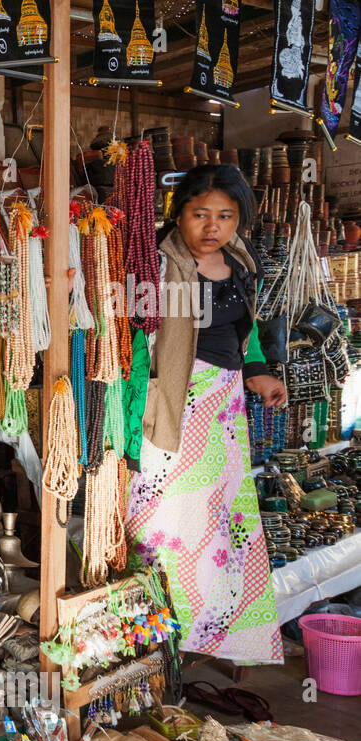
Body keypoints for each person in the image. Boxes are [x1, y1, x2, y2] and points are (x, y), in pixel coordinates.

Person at [127, 164, 285, 665]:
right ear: (180, 214)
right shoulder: (158, 260)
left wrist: (257, 370)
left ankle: (212, 628)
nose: (212, 226)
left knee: (219, 519)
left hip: (224, 405)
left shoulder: (239, 259)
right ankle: (154, 631)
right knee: (169, 515)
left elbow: (248, 328)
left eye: (225, 215)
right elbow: (133, 333)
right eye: (200, 214)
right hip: (175, 401)